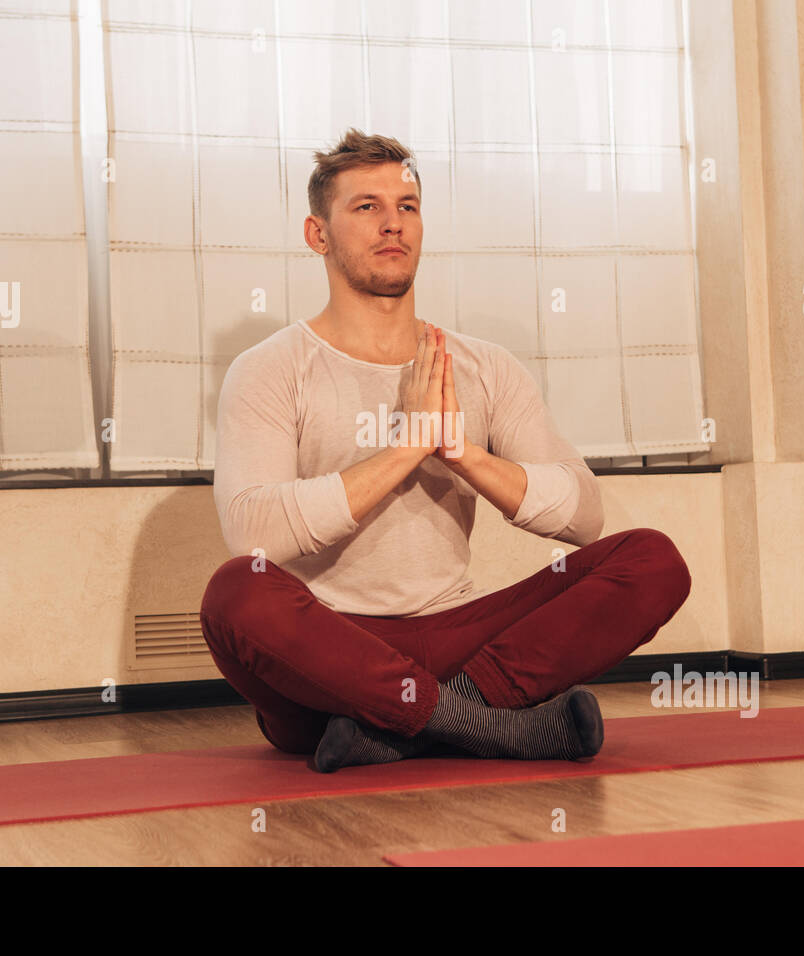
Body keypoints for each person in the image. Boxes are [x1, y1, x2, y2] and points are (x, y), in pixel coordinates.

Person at [200, 128, 692, 773]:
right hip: (332, 656)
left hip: (460, 641)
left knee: (651, 559)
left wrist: (462, 453)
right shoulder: (270, 368)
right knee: (237, 592)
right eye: (366, 207)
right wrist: (407, 449)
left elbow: (583, 516)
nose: (392, 224)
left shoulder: (484, 366)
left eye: (407, 206)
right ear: (317, 234)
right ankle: (490, 729)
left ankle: (424, 723)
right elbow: (255, 534)